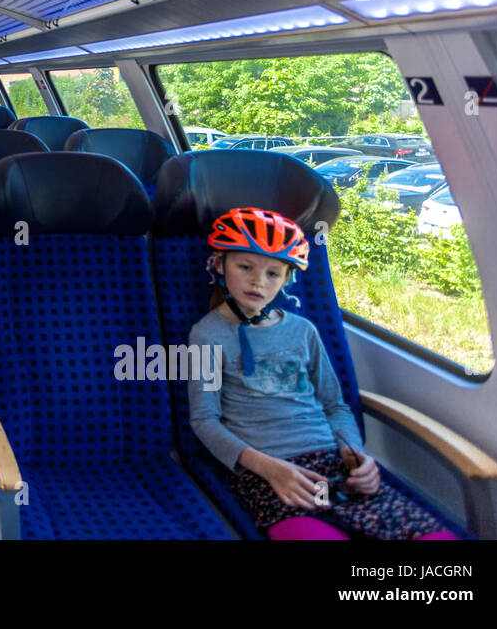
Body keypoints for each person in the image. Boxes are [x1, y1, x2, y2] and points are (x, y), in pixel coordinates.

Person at [187, 207, 456, 540]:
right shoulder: (206, 335)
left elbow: (334, 406)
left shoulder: (303, 331)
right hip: (267, 471)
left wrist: (356, 455)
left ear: (287, 280)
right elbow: (204, 419)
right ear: (219, 265)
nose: (258, 281)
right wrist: (269, 469)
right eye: (245, 267)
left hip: (331, 462)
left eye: (273, 273)